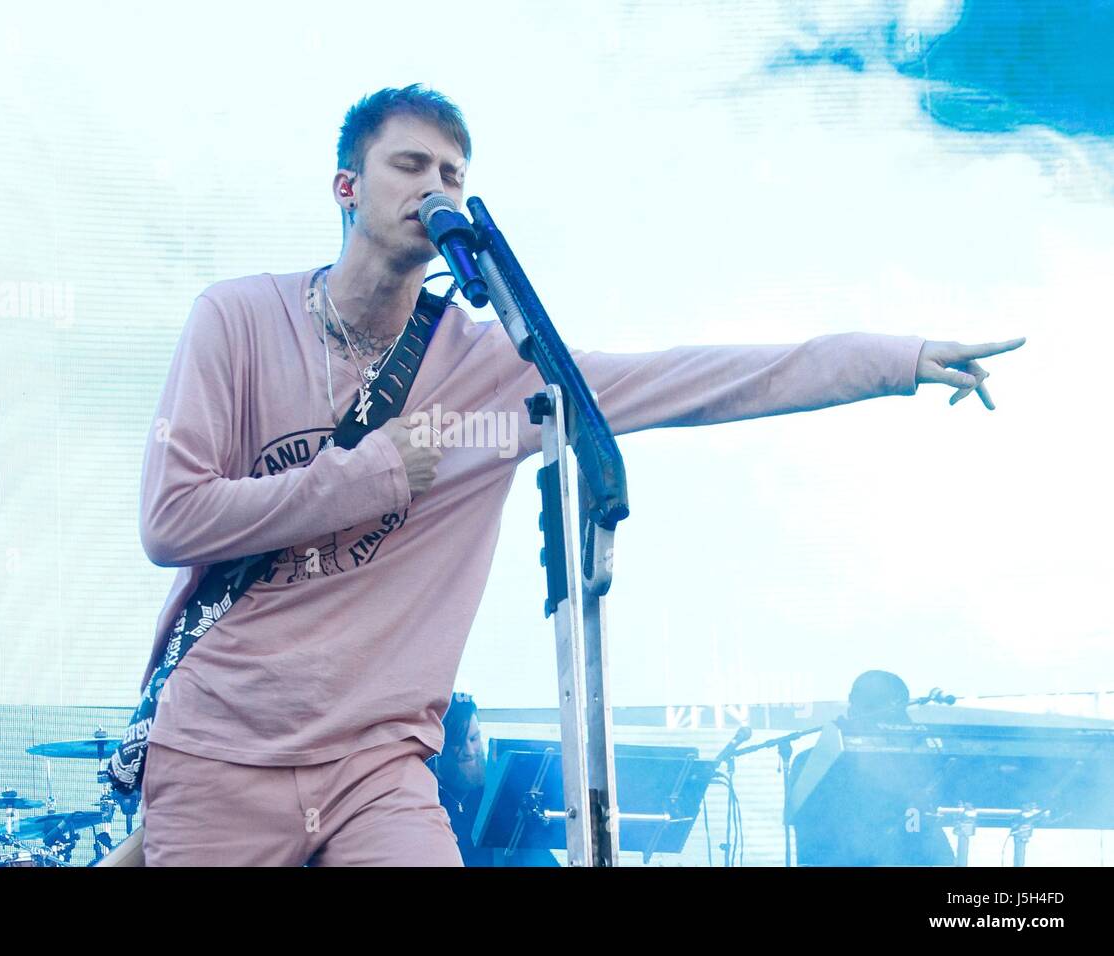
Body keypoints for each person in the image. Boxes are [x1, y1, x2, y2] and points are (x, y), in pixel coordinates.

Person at [135, 83, 1026, 866]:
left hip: (379, 764)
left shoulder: (501, 367)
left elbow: (704, 380)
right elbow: (171, 518)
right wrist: (367, 475)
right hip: (223, 749)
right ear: (347, 187)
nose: (436, 187)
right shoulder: (238, 321)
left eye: (453, 174)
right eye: (410, 165)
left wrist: (900, 360)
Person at [789, 670, 956, 866]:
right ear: (854, 705)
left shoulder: (913, 761)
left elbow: (922, 829)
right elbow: (817, 834)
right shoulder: (815, 760)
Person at [431, 693, 559, 867]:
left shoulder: (498, 783)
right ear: (439, 745)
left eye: (474, 739)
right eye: (458, 742)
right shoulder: (425, 790)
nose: (469, 750)